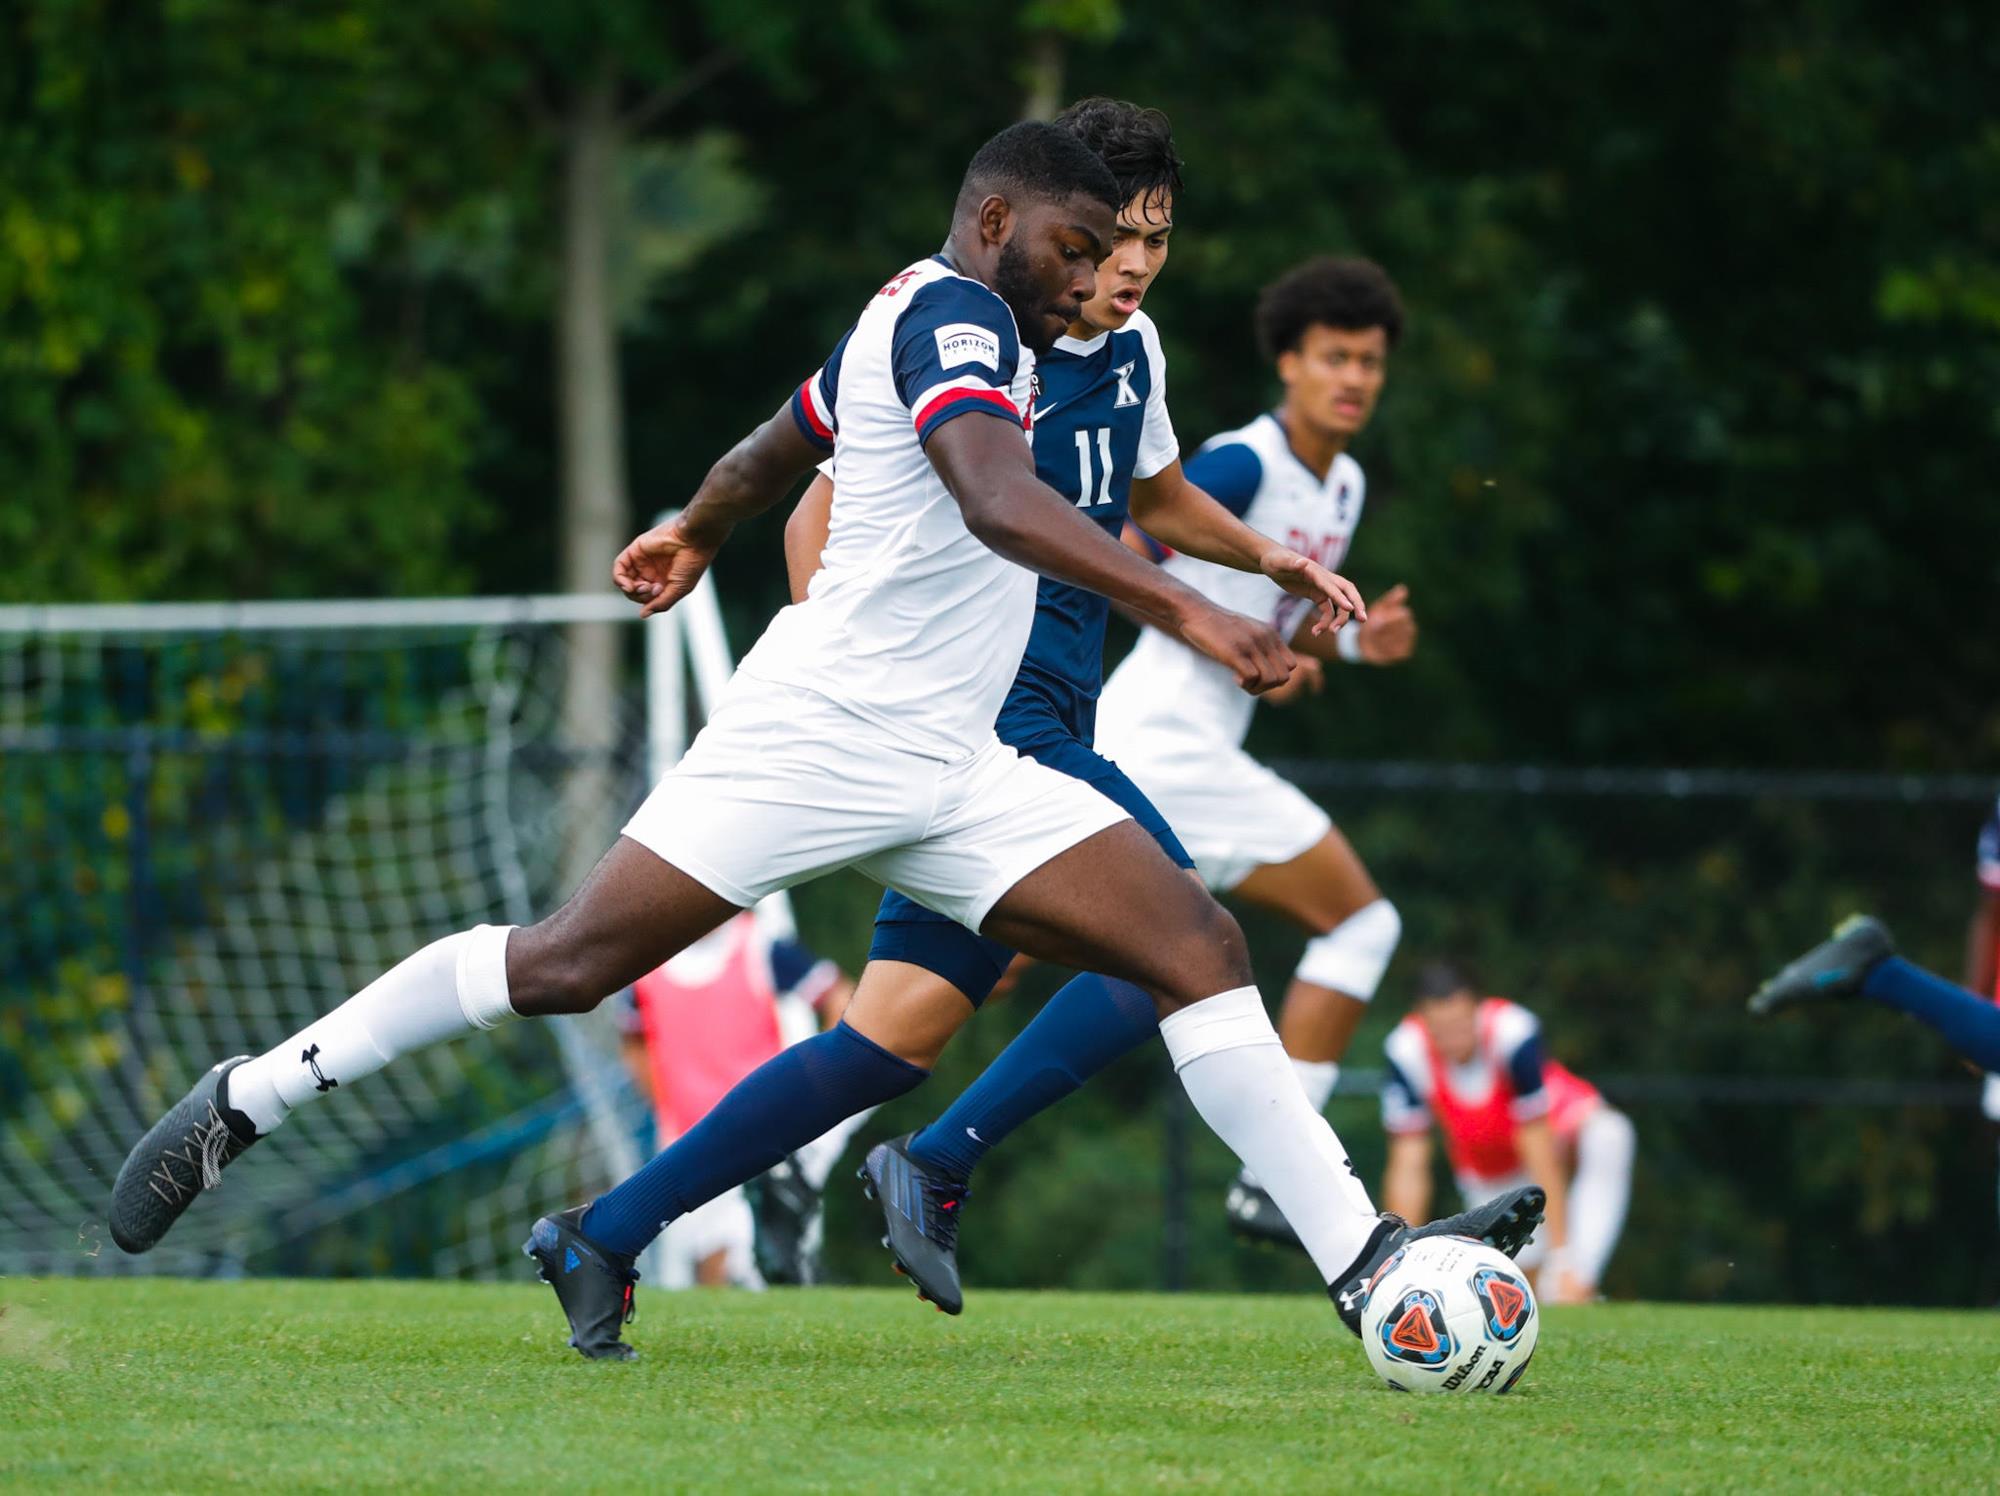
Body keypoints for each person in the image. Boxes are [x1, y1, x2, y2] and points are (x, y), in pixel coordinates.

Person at [110, 120, 1537, 1362]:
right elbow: (994, 497)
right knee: (564, 965)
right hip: (815, 735)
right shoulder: (955, 321)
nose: (1095, 271)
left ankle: (1368, 1269)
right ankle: (254, 1095)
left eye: (1118, 245)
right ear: (995, 224)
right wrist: (1195, 613)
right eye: (1074, 243)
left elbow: (778, 440)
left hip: (964, 764)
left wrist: (695, 522)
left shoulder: (992, 328)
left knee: (1196, 949)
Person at [1094, 256, 1417, 1242]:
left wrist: (1355, 642)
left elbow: (1274, 614)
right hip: (1161, 735)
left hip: (1187, 747)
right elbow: (1111, 560)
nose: (1352, 378)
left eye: (1367, 361)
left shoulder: (1344, 484)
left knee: (1037, 971)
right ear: (1288, 362)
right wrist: (1233, 643)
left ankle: (879, 1150)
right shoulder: (1241, 463)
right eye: (1332, 357)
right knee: (1359, 923)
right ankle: (1277, 1174)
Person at [617, 906, 857, 1287]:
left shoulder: (759, 946)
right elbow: (633, 1043)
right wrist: (665, 1103)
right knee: (706, 1255)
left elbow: (840, 997)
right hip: (688, 1136)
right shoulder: (649, 962)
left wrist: (822, 1078)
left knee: (756, 1250)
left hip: (766, 1134)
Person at [1379, 961, 1635, 1304]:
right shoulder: (1405, 1051)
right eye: (1442, 1030)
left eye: (1461, 1025)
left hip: (1554, 1139)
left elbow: (1538, 1143)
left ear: (1478, 1009)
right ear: (1423, 1021)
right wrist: (1396, 1261)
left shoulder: (1512, 1032)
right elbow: (1409, 1163)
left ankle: (1580, 1278)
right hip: (1488, 1168)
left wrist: (1563, 1261)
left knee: (1609, 1134)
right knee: (1516, 1288)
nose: (1454, 1039)